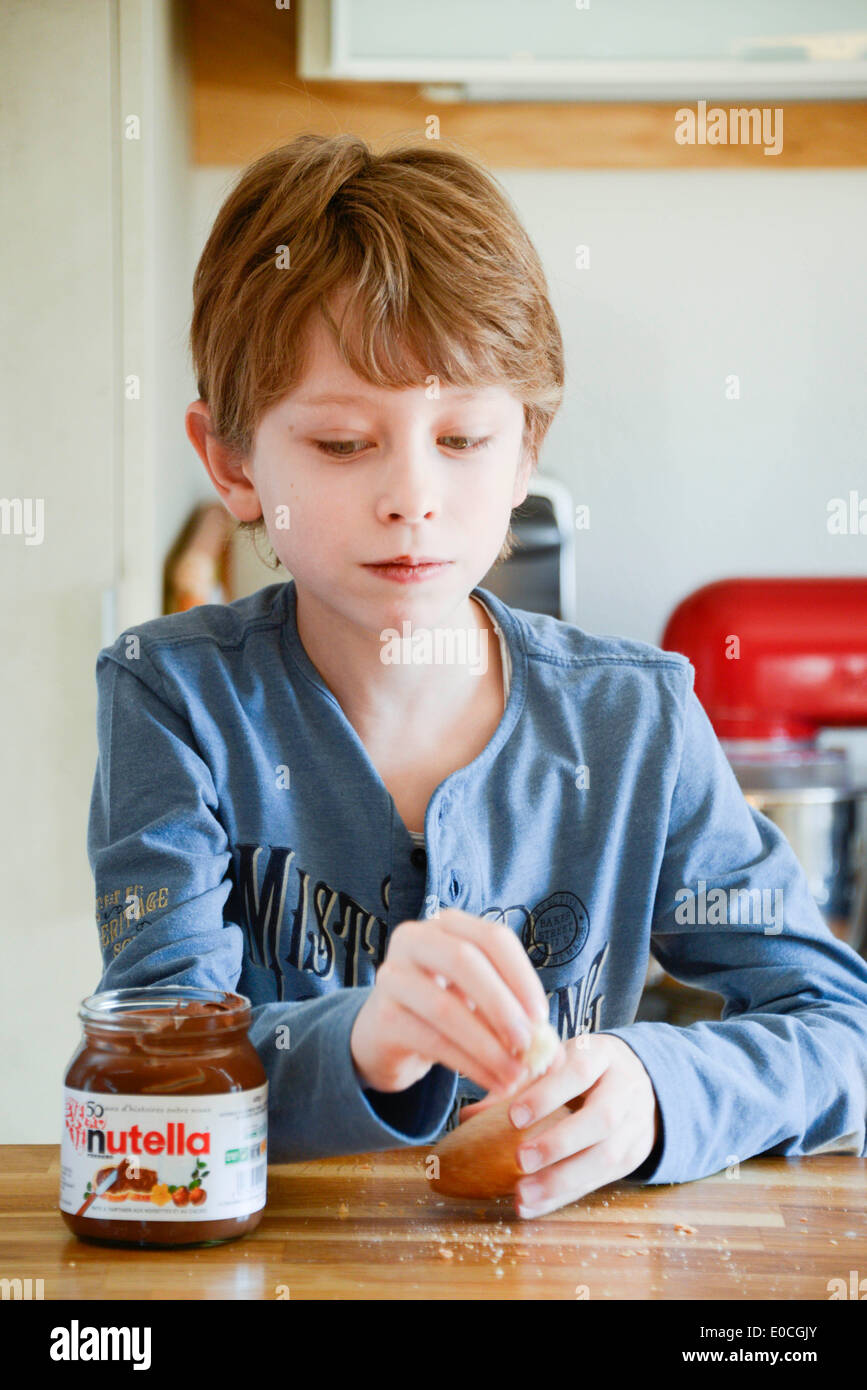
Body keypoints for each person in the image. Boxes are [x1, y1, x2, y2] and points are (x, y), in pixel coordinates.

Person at [88, 133, 867, 1220]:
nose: (413, 495)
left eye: (461, 439)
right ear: (230, 461)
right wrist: (361, 1037)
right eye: (344, 444)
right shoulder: (172, 699)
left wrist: (655, 1091)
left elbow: (841, 1026)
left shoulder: (635, 720)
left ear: (525, 454)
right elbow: (150, 1059)